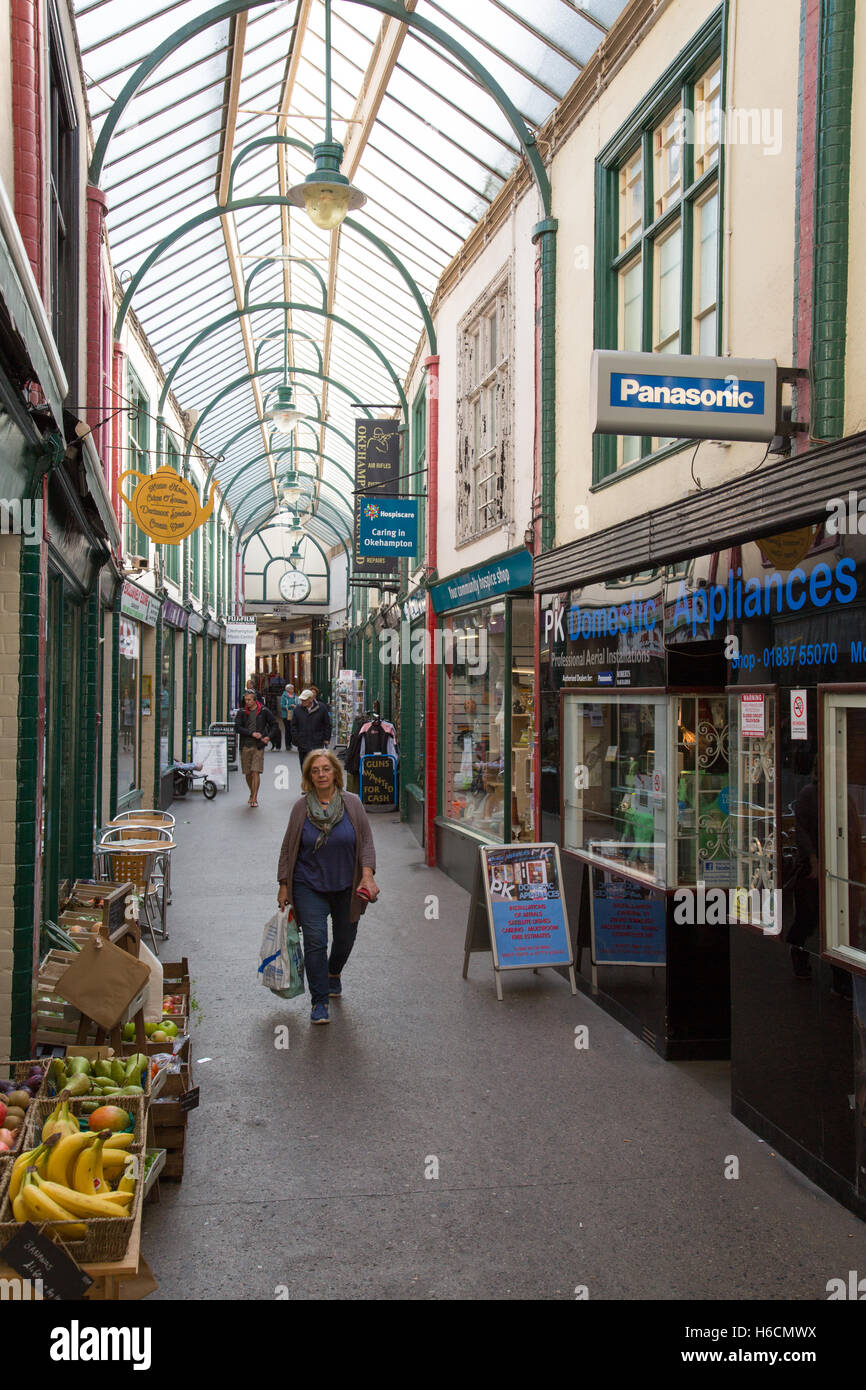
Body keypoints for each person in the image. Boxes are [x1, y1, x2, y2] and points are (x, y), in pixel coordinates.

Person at [277, 749, 379, 1024]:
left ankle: (334, 972)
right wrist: (284, 885)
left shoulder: (353, 804)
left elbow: (366, 843)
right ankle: (319, 1001)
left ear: (335, 772)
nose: (321, 774)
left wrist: (367, 875)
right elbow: (288, 848)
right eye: (315, 770)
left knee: (345, 939)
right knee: (315, 941)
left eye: (326, 769)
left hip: (347, 884)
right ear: (309, 776)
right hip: (308, 884)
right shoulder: (301, 808)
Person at [234, 689, 278, 808]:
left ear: (255, 700)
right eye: (246, 700)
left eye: (249, 700)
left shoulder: (263, 711)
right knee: (248, 773)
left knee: (255, 771)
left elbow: (274, 724)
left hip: (258, 746)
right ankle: (252, 793)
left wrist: (268, 737)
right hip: (245, 745)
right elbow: (237, 728)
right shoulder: (242, 712)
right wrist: (251, 733)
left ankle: (254, 797)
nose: (247, 702)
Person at [291, 688, 331, 772]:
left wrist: (326, 738)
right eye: (301, 700)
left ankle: (314, 784)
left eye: (304, 700)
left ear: (311, 699)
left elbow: (327, 724)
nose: (302, 702)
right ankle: (307, 784)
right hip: (302, 744)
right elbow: (293, 726)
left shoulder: (321, 708)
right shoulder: (297, 710)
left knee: (316, 767)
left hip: (317, 743)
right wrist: (297, 740)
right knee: (304, 768)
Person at [280, 683, 297, 749]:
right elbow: (282, 705)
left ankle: (292, 742)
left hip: (294, 715)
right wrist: (290, 706)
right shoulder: (284, 696)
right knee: (288, 730)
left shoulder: (294, 695)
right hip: (286, 715)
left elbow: (297, 702)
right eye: (291, 689)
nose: (292, 690)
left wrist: (296, 705)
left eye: (292, 688)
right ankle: (287, 744)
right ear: (287, 689)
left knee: (293, 729)